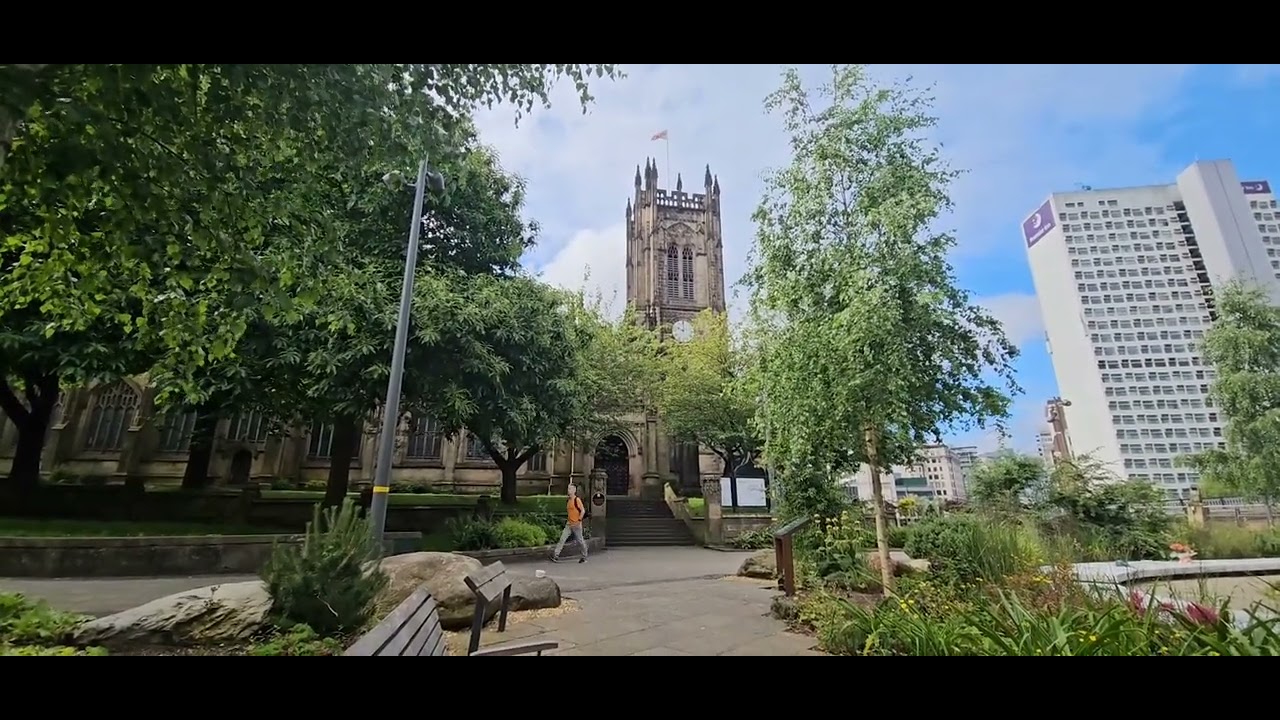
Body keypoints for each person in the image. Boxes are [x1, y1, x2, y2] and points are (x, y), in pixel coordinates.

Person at [551, 483, 589, 563]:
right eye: (568, 489)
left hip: (577, 524)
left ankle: (584, 556)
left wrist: (579, 520)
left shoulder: (577, 500)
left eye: (570, 489)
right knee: (562, 538)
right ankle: (555, 555)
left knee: (580, 541)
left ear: (574, 490)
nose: (569, 490)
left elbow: (582, 511)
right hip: (569, 524)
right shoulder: (568, 500)